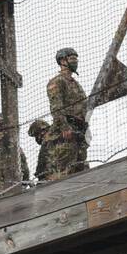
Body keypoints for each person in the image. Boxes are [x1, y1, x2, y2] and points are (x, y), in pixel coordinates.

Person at [46, 47, 89, 180]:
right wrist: (65, 127)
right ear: (62, 61)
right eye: (72, 58)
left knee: (80, 171)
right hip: (66, 133)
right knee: (65, 172)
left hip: (79, 132)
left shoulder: (76, 84)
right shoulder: (57, 82)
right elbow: (56, 107)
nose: (75, 61)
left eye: (76, 59)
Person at [29, 118, 53, 182]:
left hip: (52, 178)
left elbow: (42, 164)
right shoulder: (49, 139)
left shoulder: (47, 141)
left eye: (36, 135)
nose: (36, 139)